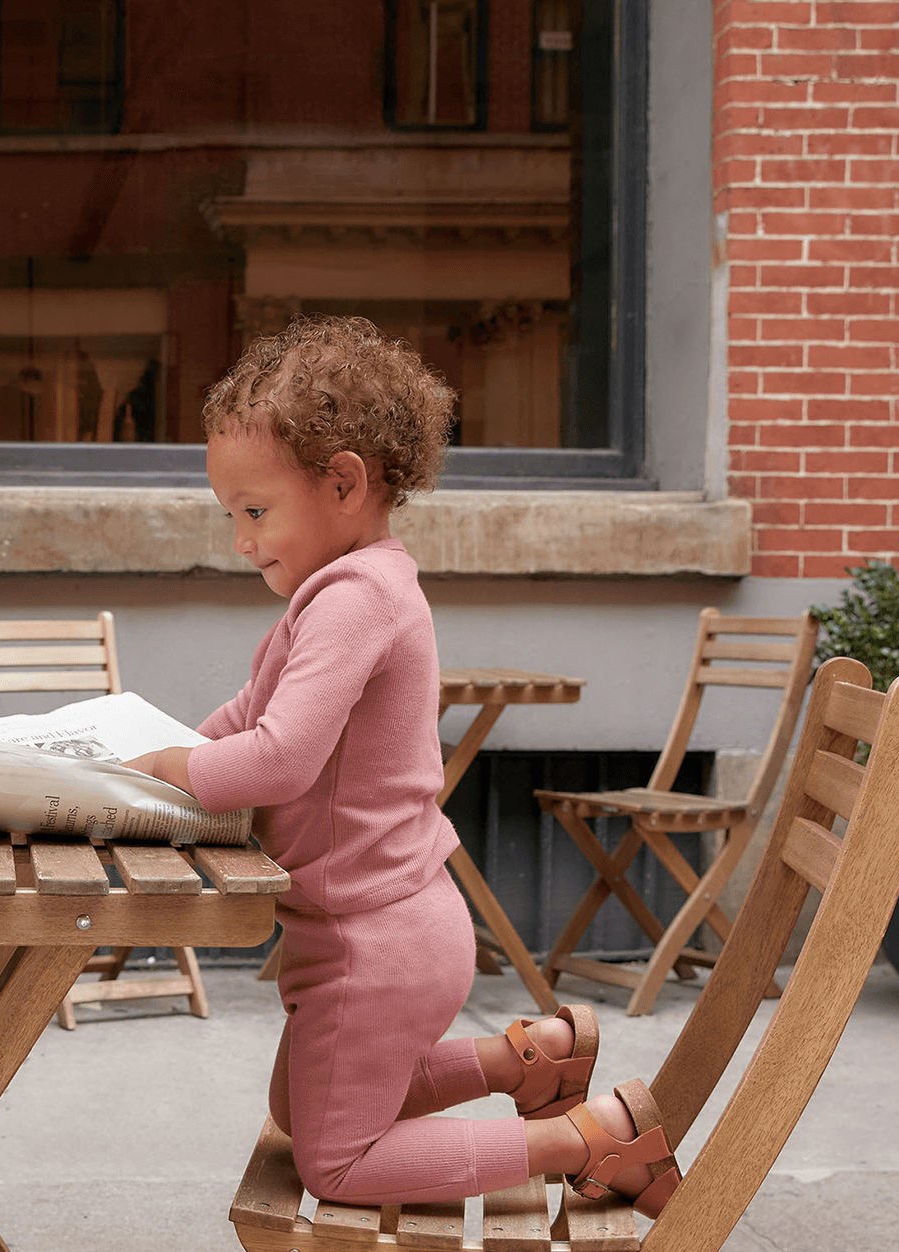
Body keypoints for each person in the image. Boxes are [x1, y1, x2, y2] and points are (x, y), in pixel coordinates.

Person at [124, 317, 680, 1214]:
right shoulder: (349, 591)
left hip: (369, 945)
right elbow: (244, 718)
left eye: (255, 512)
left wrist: (171, 770)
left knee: (334, 1164)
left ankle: (588, 1140)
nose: (240, 540)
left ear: (344, 481)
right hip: (384, 932)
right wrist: (143, 758)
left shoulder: (353, 600)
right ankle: (524, 1059)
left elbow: (280, 757)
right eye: (231, 516)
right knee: (296, 1110)